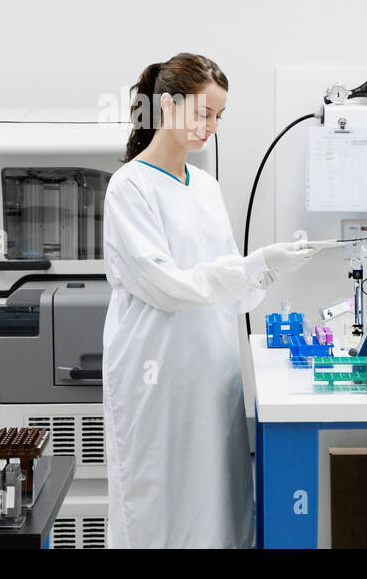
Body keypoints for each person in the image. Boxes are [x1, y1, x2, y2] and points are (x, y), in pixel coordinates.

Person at [102, 53, 317, 548]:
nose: (212, 127)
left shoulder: (206, 187)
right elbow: (163, 285)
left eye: (219, 117)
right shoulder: (129, 186)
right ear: (168, 106)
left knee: (217, 501)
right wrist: (252, 263)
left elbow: (226, 284)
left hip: (213, 367)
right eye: (204, 114)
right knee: (159, 499)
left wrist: (264, 268)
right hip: (158, 372)